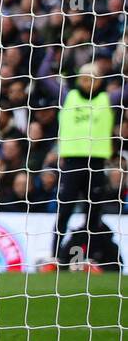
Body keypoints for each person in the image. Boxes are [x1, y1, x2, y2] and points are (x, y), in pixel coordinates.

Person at [49, 63, 121, 269]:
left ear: (100, 80)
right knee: (64, 212)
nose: (88, 81)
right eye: (84, 77)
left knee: (94, 214)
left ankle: (90, 258)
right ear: (79, 78)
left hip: (96, 164)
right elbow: (44, 77)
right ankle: (55, 258)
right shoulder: (68, 96)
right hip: (72, 164)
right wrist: (53, 53)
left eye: (93, 77)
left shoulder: (108, 99)